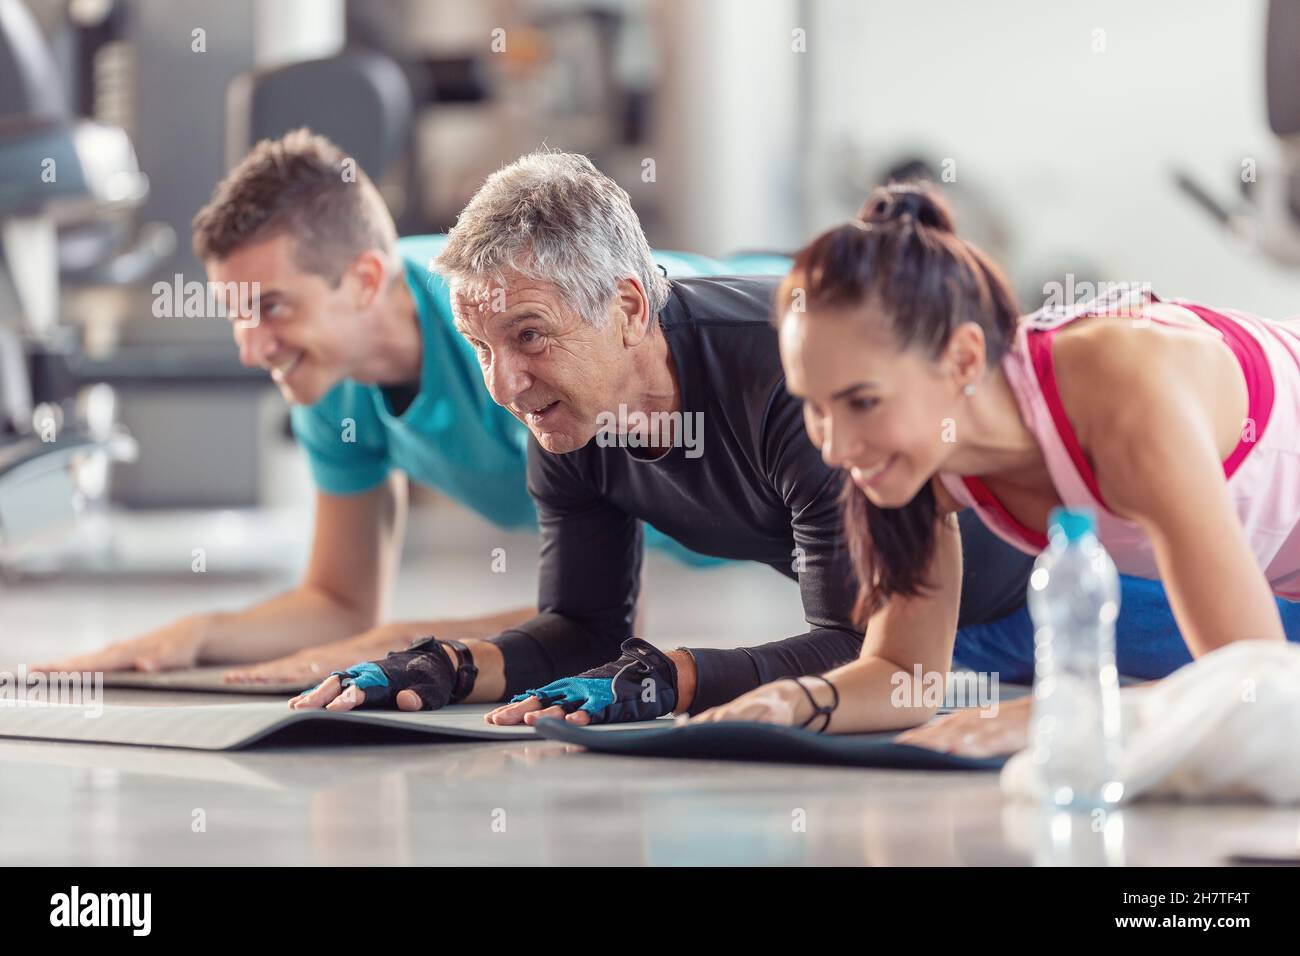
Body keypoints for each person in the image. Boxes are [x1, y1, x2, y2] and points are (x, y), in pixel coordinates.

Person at [289, 151, 1039, 720]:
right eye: (481, 348)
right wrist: (450, 666)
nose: (505, 385)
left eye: (529, 336)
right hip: (933, 651)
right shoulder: (566, 414)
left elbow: (854, 644)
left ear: (626, 306)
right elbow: (585, 628)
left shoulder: (786, 373)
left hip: (1062, 593)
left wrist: (670, 678)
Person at [32, 130, 782, 687]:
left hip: (787, 331)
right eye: (236, 316)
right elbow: (338, 598)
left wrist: (405, 643)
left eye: (271, 308)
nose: (252, 348)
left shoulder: (528, 334)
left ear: (363, 280)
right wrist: (198, 636)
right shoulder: (334, 388)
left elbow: (621, 624)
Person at [692, 182, 1300, 753]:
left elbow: (1251, 687)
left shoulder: (1126, 397)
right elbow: (906, 674)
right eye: (816, 408)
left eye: (863, 402)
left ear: (963, 359)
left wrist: (1054, 714)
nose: (834, 447)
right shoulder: (922, 458)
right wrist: (795, 702)